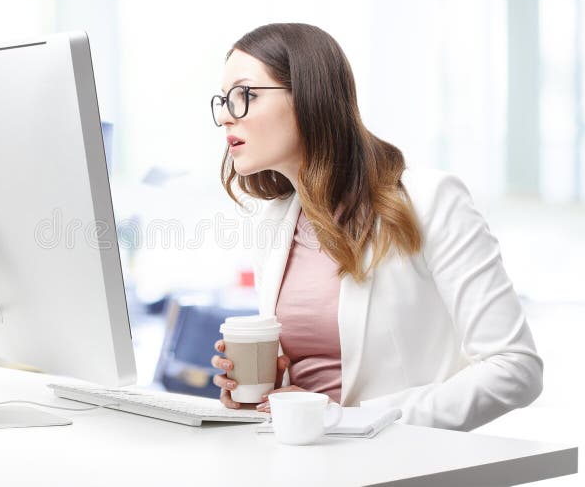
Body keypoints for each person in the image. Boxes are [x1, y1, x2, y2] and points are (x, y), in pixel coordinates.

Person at [209, 23, 543, 431]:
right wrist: (263, 392)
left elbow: (516, 369)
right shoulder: (275, 221)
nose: (225, 114)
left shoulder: (430, 200)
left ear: (310, 97)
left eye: (246, 95)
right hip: (304, 463)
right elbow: (318, 385)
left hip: (400, 464)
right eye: (224, 100)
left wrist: (346, 421)